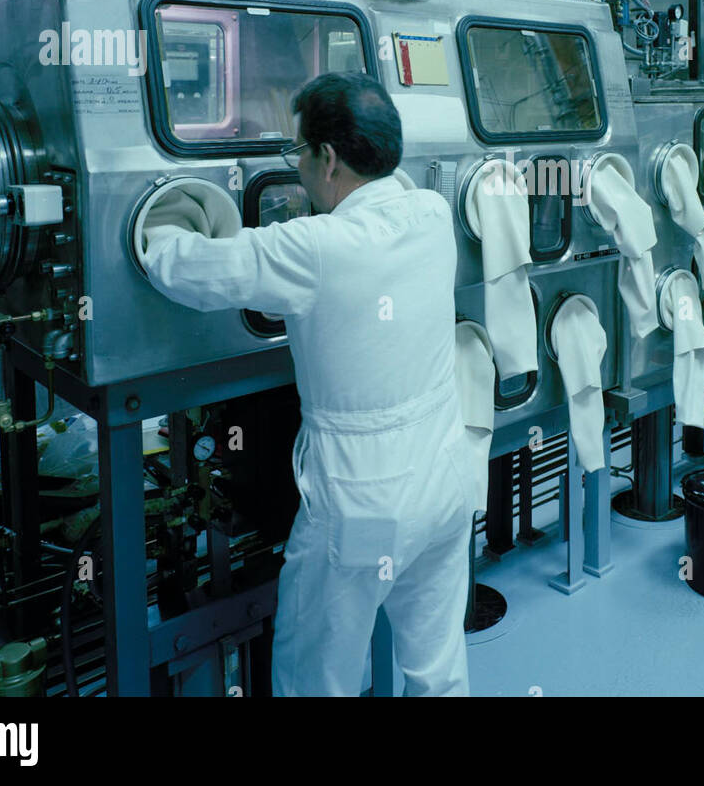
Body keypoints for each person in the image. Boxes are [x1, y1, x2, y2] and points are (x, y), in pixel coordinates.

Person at [140, 71, 473, 696]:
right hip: (447, 478)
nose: (295, 170)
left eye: (296, 153)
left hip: (364, 498)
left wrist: (163, 219)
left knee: (318, 676)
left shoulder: (317, 248)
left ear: (326, 157)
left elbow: (192, 269)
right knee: (437, 666)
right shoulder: (432, 212)